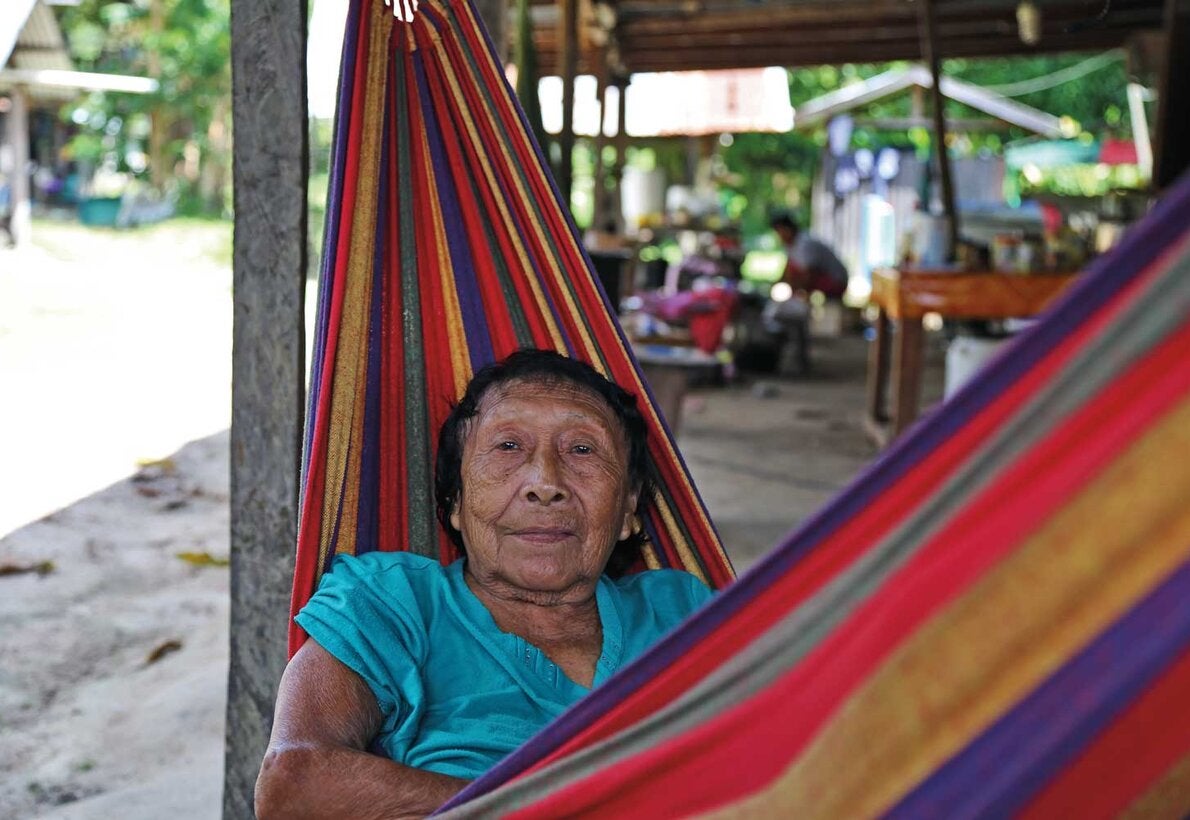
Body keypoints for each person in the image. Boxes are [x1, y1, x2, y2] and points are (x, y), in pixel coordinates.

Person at [255, 349, 715, 818]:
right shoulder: (392, 603)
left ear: (627, 510)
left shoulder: (684, 611)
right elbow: (294, 783)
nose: (545, 481)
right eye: (508, 447)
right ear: (455, 500)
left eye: (582, 449)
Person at [770, 214, 849, 300]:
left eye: (779, 231)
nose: (779, 235)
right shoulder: (790, 245)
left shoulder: (805, 243)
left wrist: (792, 287)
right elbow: (788, 268)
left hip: (835, 280)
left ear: (787, 229)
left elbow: (810, 274)